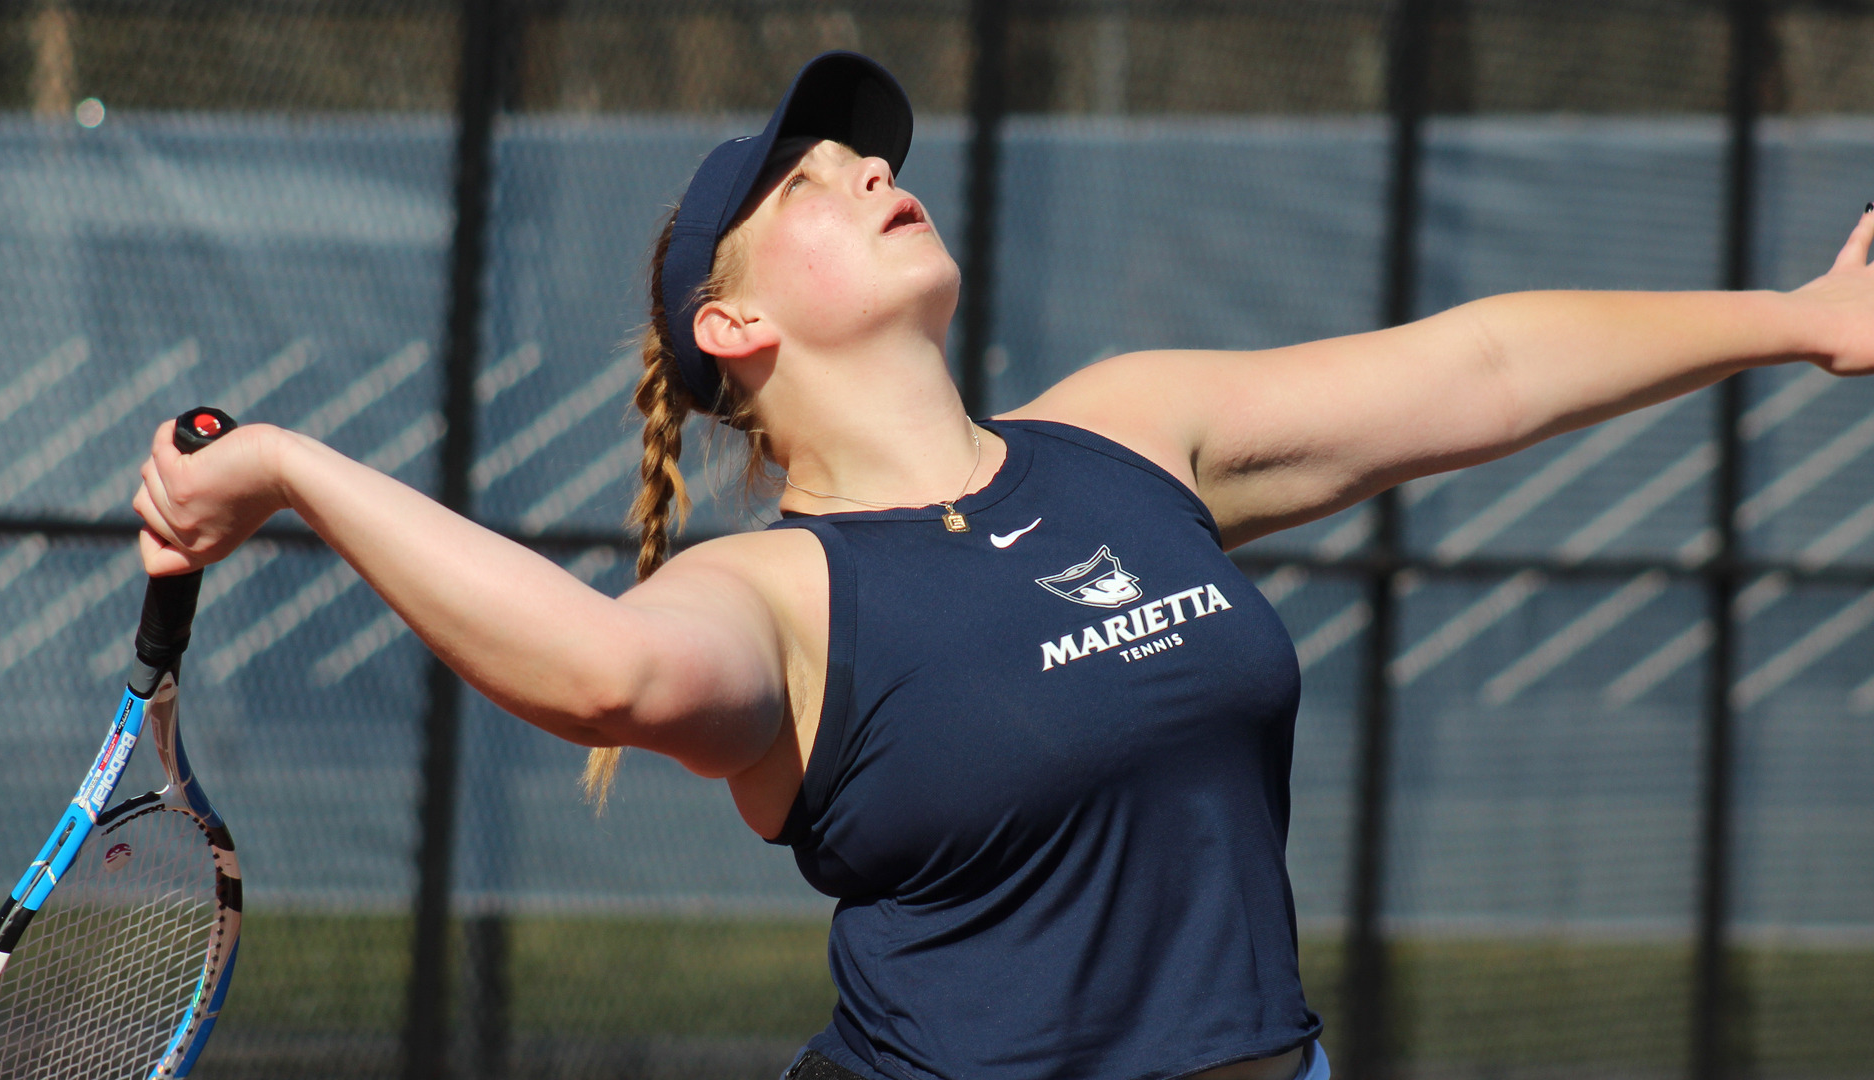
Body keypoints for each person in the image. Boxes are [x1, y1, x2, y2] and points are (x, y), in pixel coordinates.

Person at [130, 51, 1874, 1080]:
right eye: (815, 182)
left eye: (870, 153)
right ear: (732, 321)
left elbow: (1482, 368)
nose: (877, 168)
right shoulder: (777, 600)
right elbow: (599, 671)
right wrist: (290, 468)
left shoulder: (1123, 431)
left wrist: (1806, 319)